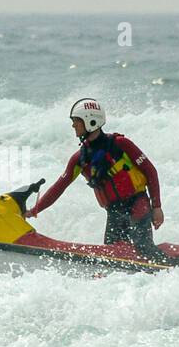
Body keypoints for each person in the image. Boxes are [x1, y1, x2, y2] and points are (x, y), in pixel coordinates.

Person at [27, 98, 166, 261]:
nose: (73, 126)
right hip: (114, 212)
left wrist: (157, 207)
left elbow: (150, 171)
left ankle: (172, 270)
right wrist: (35, 210)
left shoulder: (121, 144)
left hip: (137, 204)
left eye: (76, 121)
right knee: (112, 256)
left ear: (90, 121)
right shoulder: (79, 159)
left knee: (144, 250)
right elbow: (59, 187)